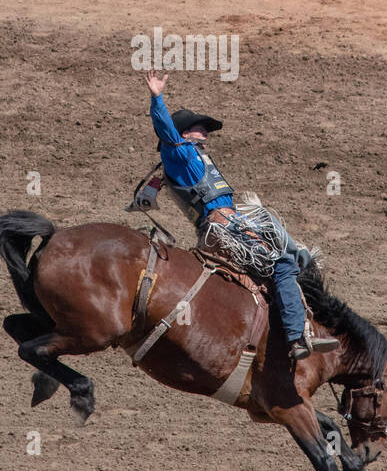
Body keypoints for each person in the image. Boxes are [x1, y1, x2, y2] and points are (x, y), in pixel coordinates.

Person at [142, 70, 338, 364]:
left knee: (298, 258)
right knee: (283, 264)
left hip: (233, 225)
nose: (205, 132)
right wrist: (157, 98)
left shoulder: (196, 157)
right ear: (183, 133)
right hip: (222, 230)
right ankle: (297, 336)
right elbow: (165, 131)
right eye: (199, 128)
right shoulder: (179, 153)